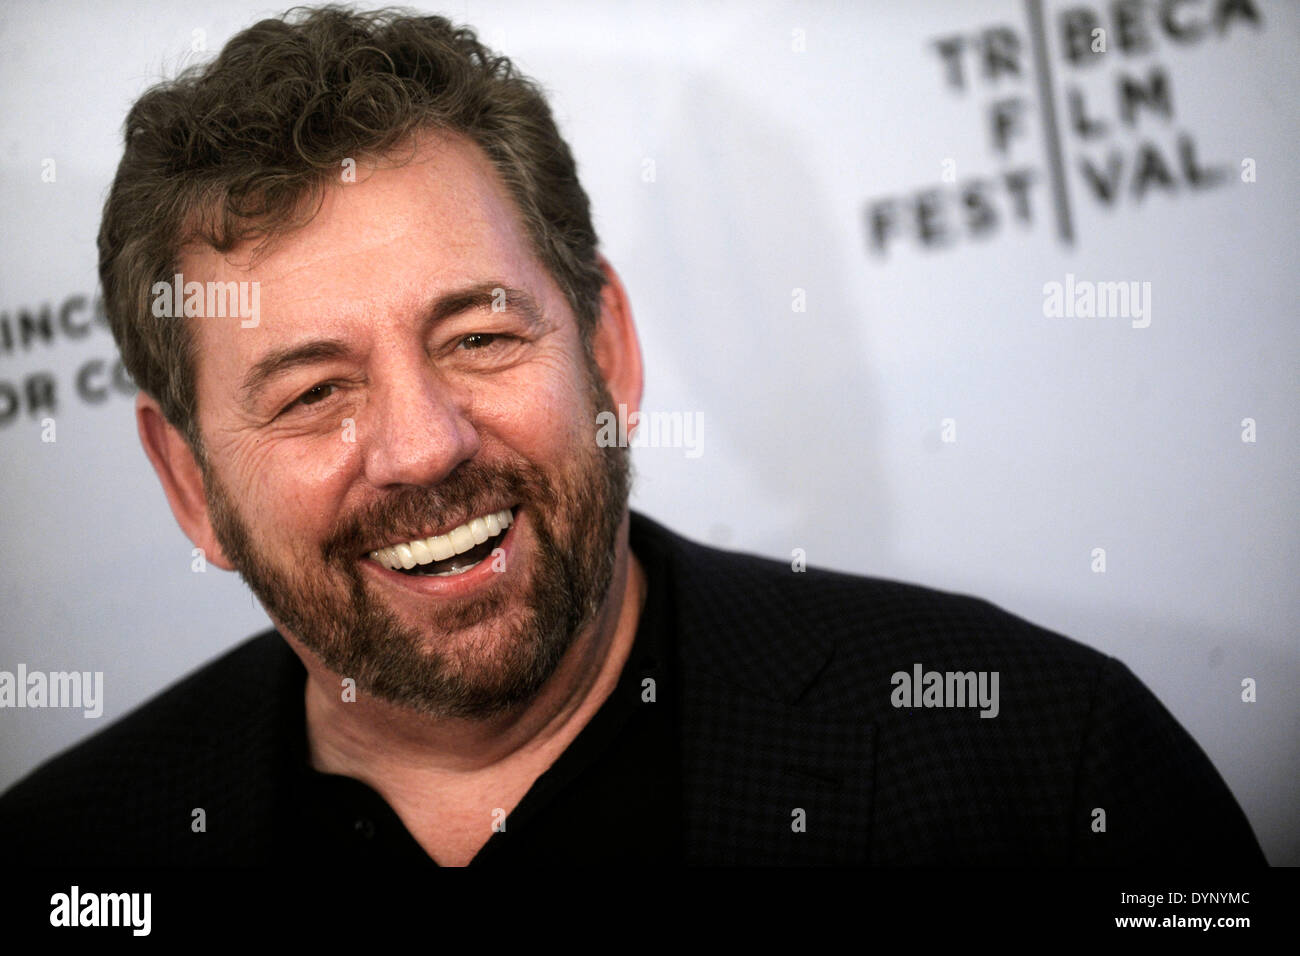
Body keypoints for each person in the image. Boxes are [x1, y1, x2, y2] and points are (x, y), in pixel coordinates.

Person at [0, 5, 1265, 866]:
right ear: (190, 484)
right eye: (313, 390)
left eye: (480, 336)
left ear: (608, 349)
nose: (425, 444)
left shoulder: (1041, 770)